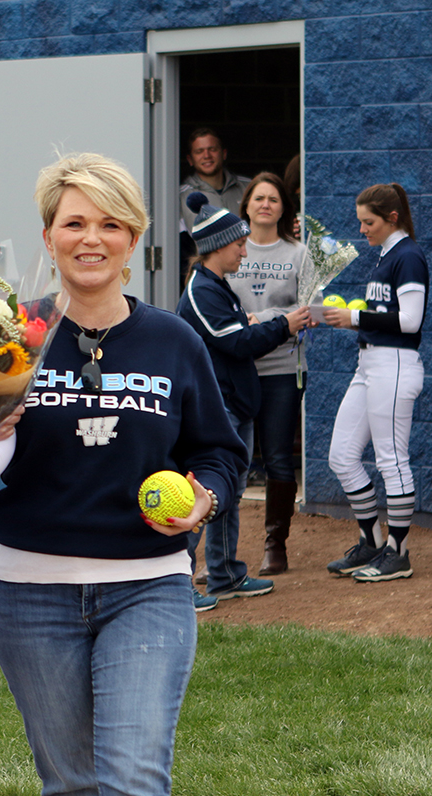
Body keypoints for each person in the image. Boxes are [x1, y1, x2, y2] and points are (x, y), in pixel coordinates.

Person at [0, 152, 246, 796]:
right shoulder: (7, 340)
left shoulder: (173, 340)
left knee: (132, 786)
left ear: (133, 238)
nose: (91, 238)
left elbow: (219, 449)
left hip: (148, 587)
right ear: (49, 237)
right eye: (74, 223)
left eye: (110, 223)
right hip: (31, 593)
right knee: (72, 788)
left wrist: (203, 501)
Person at [177, 192, 311, 605]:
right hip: (218, 409)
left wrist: (252, 321)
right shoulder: (202, 290)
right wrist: (283, 325)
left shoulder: (218, 287)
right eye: (239, 244)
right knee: (203, 496)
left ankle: (224, 575)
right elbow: (235, 343)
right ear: (219, 247)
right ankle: (178, 583)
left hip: (234, 405)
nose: (244, 250)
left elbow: (232, 332)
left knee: (228, 497)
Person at [324, 182, 428, 581]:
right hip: (369, 363)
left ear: (392, 218)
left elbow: (410, 321)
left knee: (391, 459)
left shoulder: (409, 256)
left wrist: (354, 318)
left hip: (395, 363)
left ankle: (398, 554)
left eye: (368, 222)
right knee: (341, 456)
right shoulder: (387, 254)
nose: (362, 229)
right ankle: (372, 541)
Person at [227, 172, 309, 575]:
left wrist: (263, 318)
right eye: (258, 198)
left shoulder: (298, 253)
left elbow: (308, 309)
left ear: (282, 207)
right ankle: (225, 552)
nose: (265, 204)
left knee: (277, 457)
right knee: (231, 459)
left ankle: (276, 544)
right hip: (236, 368)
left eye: (273, 199)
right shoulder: (231, 250)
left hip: (281, 368)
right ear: (246, 206)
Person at [178, 128, 251, 278]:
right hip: (208, 275)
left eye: (212, 149)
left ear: (223, 153)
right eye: (199, 151)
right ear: (190, 159)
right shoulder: (180, 196)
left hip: (249, 271)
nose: (207, 155)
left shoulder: (248, 188)